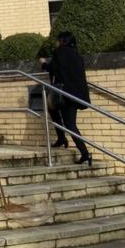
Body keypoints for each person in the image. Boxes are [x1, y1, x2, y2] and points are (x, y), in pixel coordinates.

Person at [40, 31, 92, 166]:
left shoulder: (60, 53)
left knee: (69, 124)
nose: (56, 43)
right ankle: (62, 139)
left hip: (65, 93)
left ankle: (84, 152)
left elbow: (54, 68)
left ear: (62, 41)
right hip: (76, 94)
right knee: (54, 110)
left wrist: (44, 63)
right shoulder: (77, 54)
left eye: (58, 40)